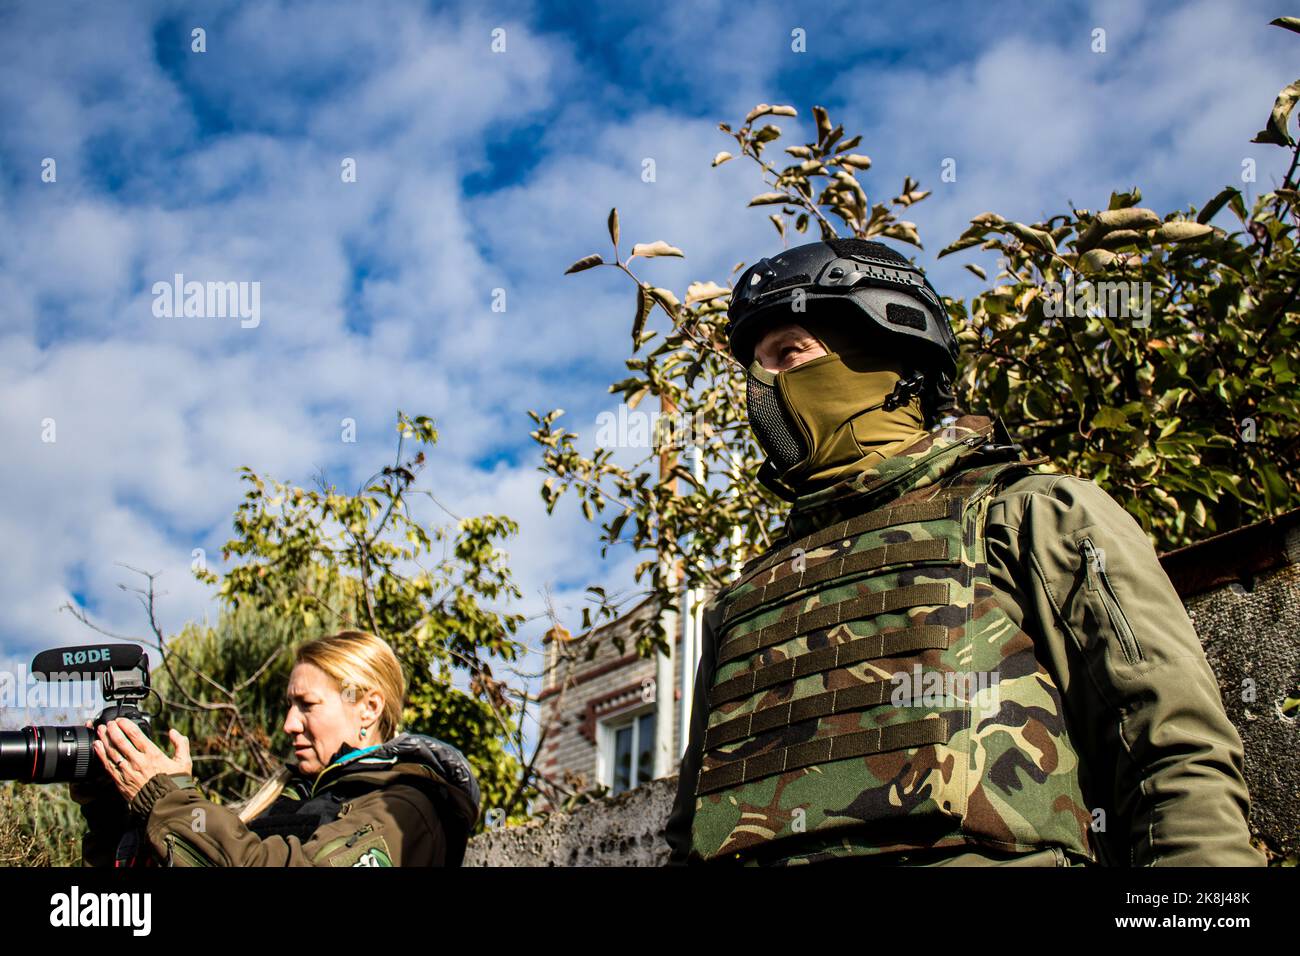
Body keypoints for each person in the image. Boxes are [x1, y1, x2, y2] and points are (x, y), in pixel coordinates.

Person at [664, 237, 1263, 866]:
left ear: (887, 350)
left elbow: (1169, 748)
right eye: (758, 368)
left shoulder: (1030, 513)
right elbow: (689, 838)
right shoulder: (745, 599)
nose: (769, 389)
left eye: (790, 354)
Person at [71, 629, 480, 867]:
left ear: (369, 708)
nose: (288, 724)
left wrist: (170, 797)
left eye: (307, 704)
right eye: (289, 705)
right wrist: (119, 806)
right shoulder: (287, 800)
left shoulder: (405, 808)